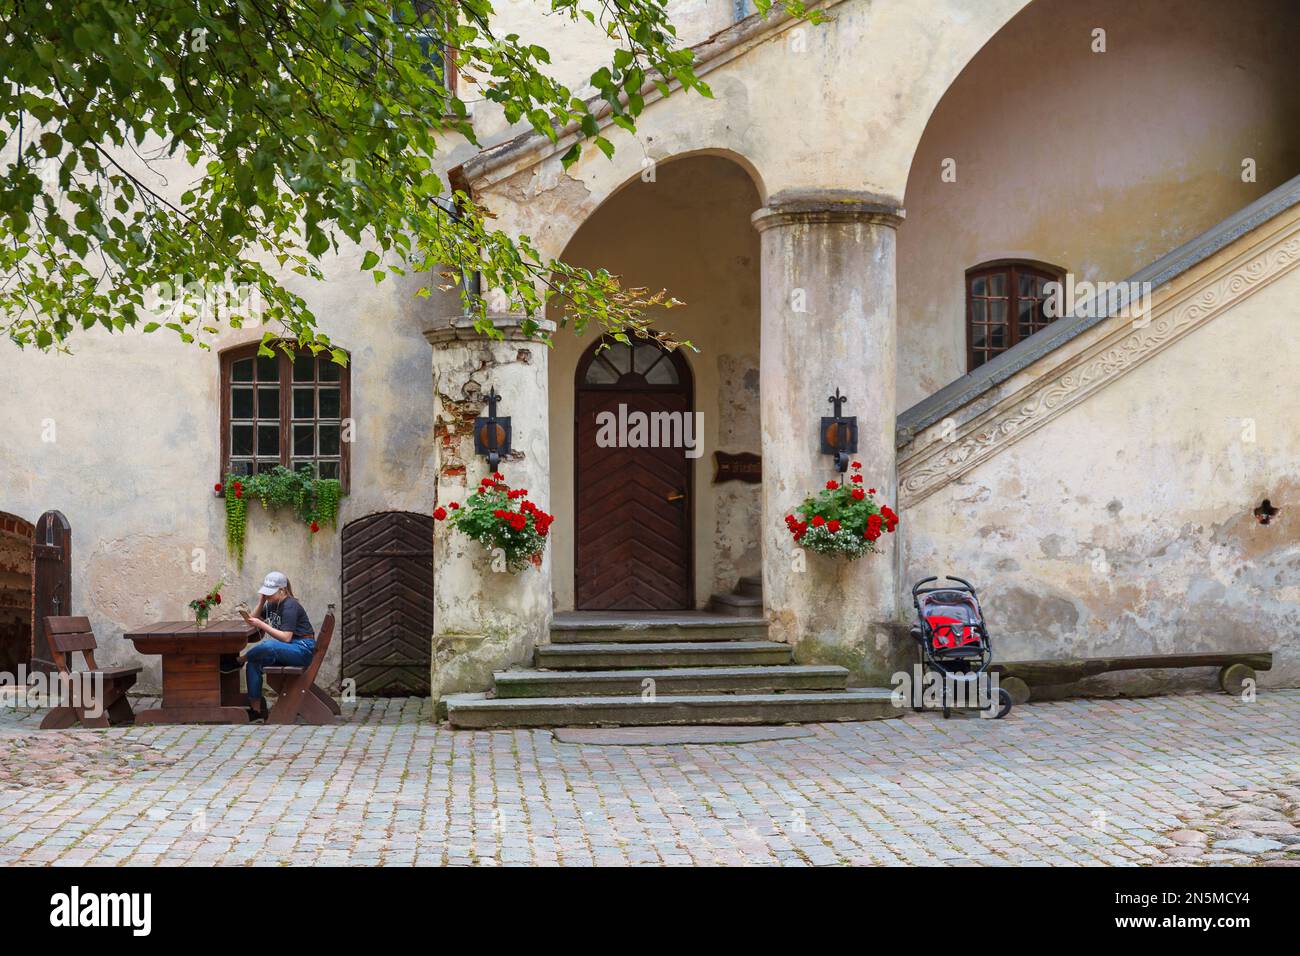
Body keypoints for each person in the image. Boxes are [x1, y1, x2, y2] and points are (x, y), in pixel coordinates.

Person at [238, 571, 316, 721]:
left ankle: (241, 660)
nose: (268, 596)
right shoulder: (272, 603)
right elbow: (252, 620)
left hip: (302, 649)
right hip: (287, 650)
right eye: (266, 593)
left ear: (283, 590)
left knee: (269, 645)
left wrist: (262, 625)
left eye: (270, 593)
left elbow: (286, 638)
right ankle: (256, 711)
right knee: (254, 663)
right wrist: (262, 601)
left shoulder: (290, 605)